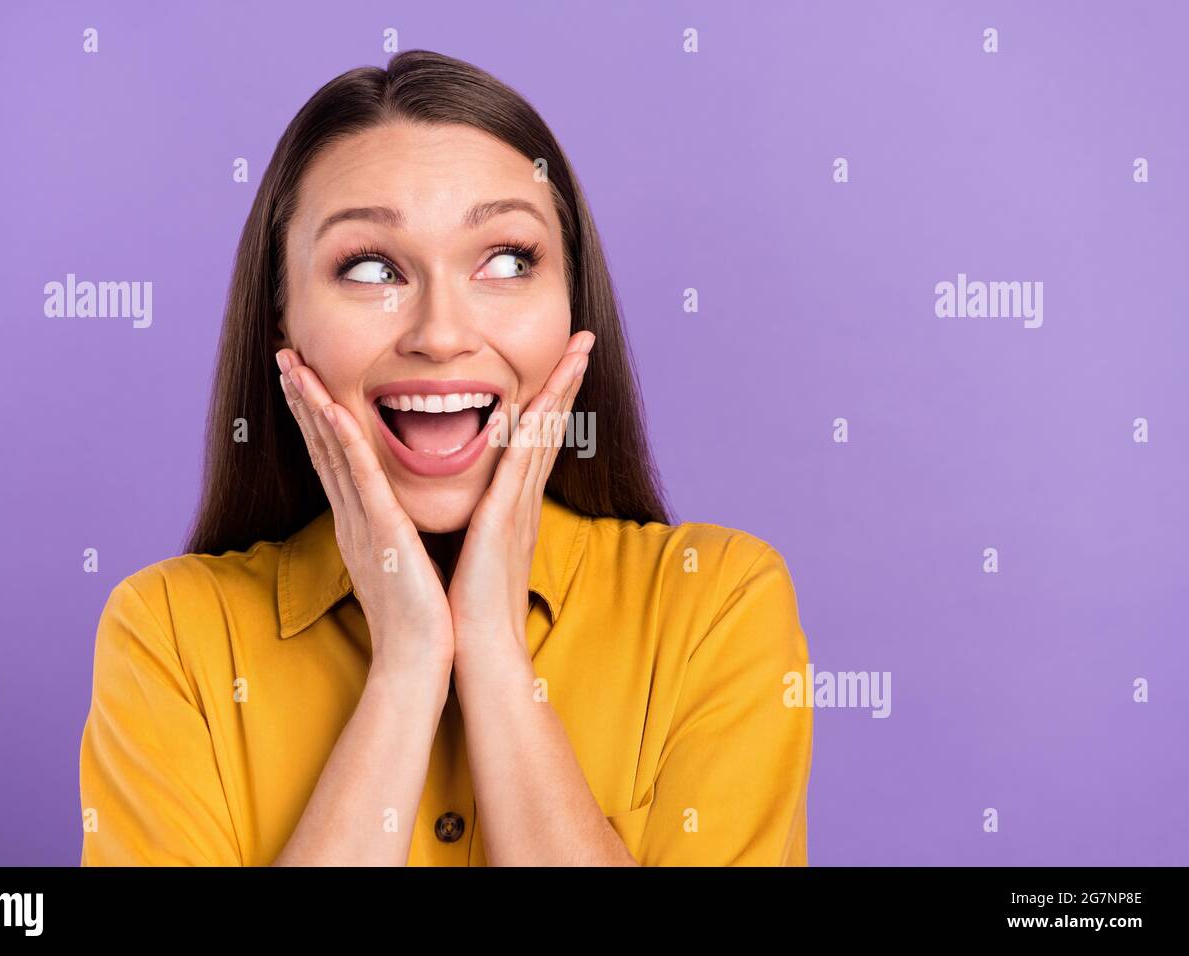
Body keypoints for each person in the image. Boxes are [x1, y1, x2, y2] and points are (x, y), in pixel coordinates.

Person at [78, 49, 812, 866]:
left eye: (507, 260)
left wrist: (494, 652)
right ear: (282, 323)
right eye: (369, 267)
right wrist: (408, 664)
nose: (440, 334)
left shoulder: (715, 606)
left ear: (573, 305)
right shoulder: (171, 636)